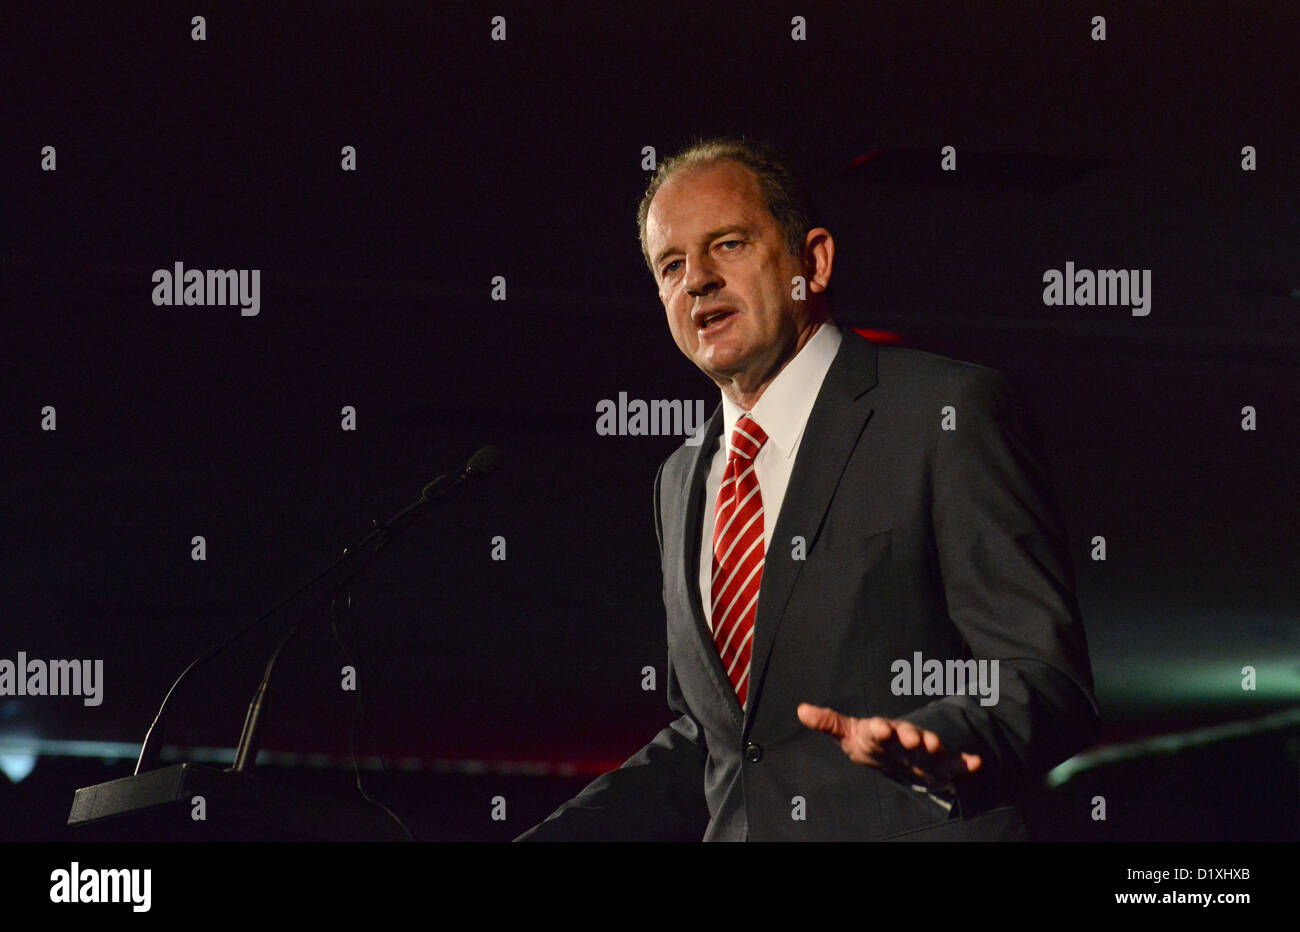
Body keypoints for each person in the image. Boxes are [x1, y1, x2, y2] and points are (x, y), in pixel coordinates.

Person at [518, 137, 1100, 841]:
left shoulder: (942, 413)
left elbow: (1040, 676)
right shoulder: (679, 480)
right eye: (670, 265)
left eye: (727, 245)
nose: (697, 279)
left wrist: (942, 741)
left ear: (813, 261)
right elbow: (719, 742)